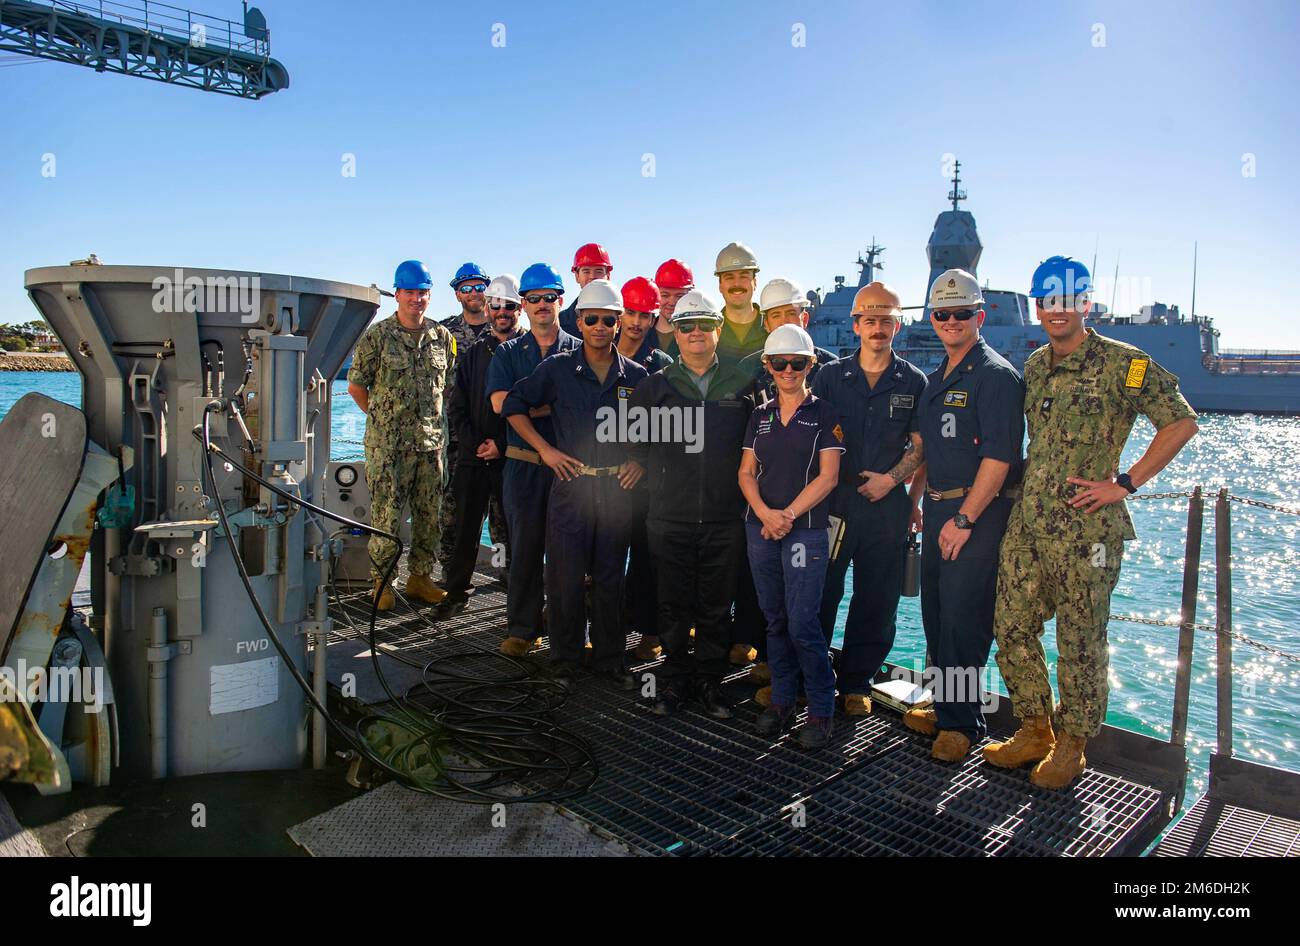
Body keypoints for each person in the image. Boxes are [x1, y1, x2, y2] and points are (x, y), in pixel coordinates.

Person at [984, 256, 1198, 789]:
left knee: (1080, 638)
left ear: (1086, 303)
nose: (1057, 311)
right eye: (1047, 302)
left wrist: (1125, 483)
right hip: (1029, 522)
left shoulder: (1124, 362)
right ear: (1038, 307)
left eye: (1068, 301)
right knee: (1010, 625)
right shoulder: (1035, 365)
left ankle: (1073, 744)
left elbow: (1181, 422)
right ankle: (1035, 728)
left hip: (1087, 531)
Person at [502, 279, 649, 688]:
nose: (600, 326)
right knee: (564, 578)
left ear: (618, 323)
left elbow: (659, 429)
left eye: (608, 319)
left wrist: (641, 462)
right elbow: (513, 405)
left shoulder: (636, 378)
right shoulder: (558, 369)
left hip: (617, 493)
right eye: (591, 319)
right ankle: (564, 660)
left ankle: (609, 660)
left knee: (609, 578)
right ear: (579, 321)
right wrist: (545, 451)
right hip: (571, 488)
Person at [909, 268, 1025, 762]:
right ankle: (945, 704)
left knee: (963, 618)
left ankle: (962, 725)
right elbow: (928, 449)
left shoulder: (996, 377)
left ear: (979, 316)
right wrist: (916, 501)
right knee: (935, 613)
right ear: (933, 319)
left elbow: (999, 458)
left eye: (961, 313)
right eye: (942, 314)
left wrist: (965, 519)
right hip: (937, 508)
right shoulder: (938, 377)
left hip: (972, 517)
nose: (951, 321)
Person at [628, 290, 756, 716]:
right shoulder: (654, 387)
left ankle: (711, 683)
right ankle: (675, 679)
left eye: (704, 324)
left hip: (725, 517)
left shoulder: (743, 385)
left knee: (717, 607)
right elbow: (634, 444)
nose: (696, 332)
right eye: (686, 326)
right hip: (669, 516)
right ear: (676, 334)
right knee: (673, 603)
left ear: (718, 329)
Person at [812, 282, 928, 716]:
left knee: (877, 599)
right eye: (869, 320)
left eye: (886, 321)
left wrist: (893, 482)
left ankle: (856, 682)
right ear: (856, 324)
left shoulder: (913, 381)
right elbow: (811, 436)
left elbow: (920, 446)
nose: (877, 328)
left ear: (896, 325)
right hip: (834, 504)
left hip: (886, 508)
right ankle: (814, 673)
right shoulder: (830, 376)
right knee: (820, 592)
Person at [739, 324, 844, 749]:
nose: (787, 369)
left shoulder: (825, 415)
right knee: (775, 618)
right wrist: (766, 514)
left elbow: (830, 477)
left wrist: (786, 516)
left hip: (805, 533)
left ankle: (821, 709)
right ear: (768, 366)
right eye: (779, 362)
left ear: (809, 365)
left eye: (796, 363)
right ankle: (782, 700)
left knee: (803, 622)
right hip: (760, 528)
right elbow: (746, 473)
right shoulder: (759, 416)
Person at [346, 259, 456, 610]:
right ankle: (382, 583)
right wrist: (384, 422)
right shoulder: (377, 336)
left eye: (422, 292)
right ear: (398, 294)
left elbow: (447, 387)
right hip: (388, 448)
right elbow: (356, 387)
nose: (417, 299)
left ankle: (420, 578)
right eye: (410, 292)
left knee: (429, 515)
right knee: (387, 517)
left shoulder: (442, 337)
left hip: (431, 446)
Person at [486, 263, 580, 656]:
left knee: (569, 555)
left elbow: (582, 408)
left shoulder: (579, 350)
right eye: (533, 299)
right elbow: (499, 405)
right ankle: (523, 629)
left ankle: (568, 633)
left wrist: (525, 405)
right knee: (524, 550)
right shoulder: (508, 352)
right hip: (524, 465)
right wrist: (548, 406)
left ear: (560, 300)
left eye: (549, 298)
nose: (542, 305)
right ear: (522, 305)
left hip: (570, 470)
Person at [437, 274, 525, 619]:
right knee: (465, 528)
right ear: (488, 308)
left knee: (514, 530)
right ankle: (456, 591)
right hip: (474, 458)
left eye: (510, 306)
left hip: (514, 458)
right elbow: (456, 407)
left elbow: (532, 409)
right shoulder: (474, 354)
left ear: (519, 309)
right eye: (497, 305)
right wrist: (477, 445)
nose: (502, 312)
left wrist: (502, 445)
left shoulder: (529, 353)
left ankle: (516, 594)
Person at [616, 276, 673, 661]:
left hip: (645, 482)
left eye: (645, 315)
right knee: (598, 559)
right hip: (601, 479)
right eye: (631, 313)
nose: (637, 322)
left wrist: (643, 462)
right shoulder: (595, 355)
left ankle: (650, 633)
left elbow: (672, 429)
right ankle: (600, 631)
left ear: (655, 319)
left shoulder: (661, 366)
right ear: (619, 314)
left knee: (649, 559)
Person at [438, 262, 506, 579]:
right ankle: (452, 575)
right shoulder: (442, 333)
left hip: (502, 439)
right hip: (457, 440)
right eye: (466, 288)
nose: (474, 293)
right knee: (455, 513)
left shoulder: (510, 335)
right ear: (457, 294)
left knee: (502, 515)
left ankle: (505, 574)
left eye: (480, 287)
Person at [713, 242, 768, 368]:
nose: (737, 283)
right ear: (720, 285)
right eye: (729, 277)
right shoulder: (708, 332)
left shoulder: (772, 329)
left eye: (743, 276)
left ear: (755, 282)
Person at [558, 243, 613, 337]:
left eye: (599, 271)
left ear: (608, 275)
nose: (592, 277)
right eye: (586, 271)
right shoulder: (560, 322)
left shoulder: (624, 320)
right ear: (577, 276)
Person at [651, 258, 695, 357]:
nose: (672, 302)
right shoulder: (640, 333)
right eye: (665, 295)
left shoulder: (699, 334)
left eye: (679, 296)